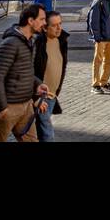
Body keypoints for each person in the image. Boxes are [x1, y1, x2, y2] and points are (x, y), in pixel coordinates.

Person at [0, 4, 48, 141]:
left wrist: (37, 84)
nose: (45, 23)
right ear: (30, 21)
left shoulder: (30, 42)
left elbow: (24, 71)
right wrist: (3, 108)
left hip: (26, 106)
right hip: (9, 107)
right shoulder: (10, 44)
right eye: (42, 19)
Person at [32, 10, 68, 141]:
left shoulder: (62, 40)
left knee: (39, 133)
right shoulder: (38, 43)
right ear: (45, 28)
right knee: (47, 134)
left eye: (60, 23)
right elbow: (28, 71)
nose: (59, 28)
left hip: (53, 95)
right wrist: (34, 97)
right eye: (54, 25)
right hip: (41, 97)